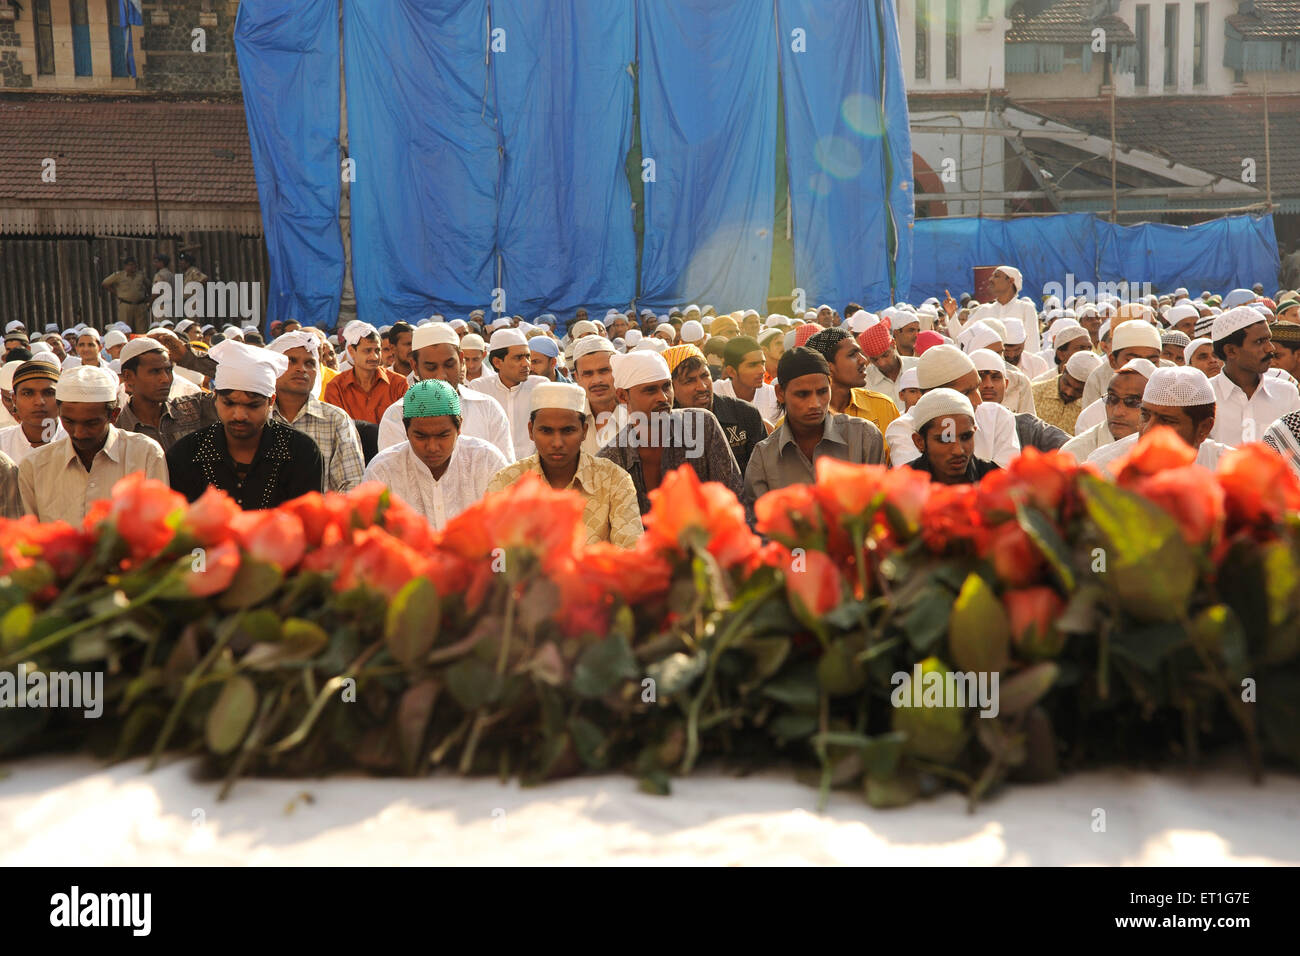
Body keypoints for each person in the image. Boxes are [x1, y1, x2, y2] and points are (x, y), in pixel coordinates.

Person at [167, 341, 324, 508]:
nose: (239, 415)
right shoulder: (186, 454)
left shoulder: (301, 451)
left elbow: (307, 523)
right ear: (215, 399)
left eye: (252, 405)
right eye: (229, 403)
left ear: (271, 401)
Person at [486, 381, 643, 547]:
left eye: (567, 430)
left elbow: (630, 551)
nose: (557, 443)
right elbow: (492, 553)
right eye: (546, 431)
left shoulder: (613, 480)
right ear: (531, 431)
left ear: (584, 431)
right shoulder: (506, 483)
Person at [597, 350, 741, 515]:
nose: (663, 398)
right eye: (650, 390)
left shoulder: (702, 426)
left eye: (666, 387)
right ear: (623, 396)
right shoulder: (610, 460)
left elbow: (732, 498)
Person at [18, 366, 165, 522]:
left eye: (91, 423)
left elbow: (159, 526)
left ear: (113, 415)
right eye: (69, 421)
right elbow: (29, 536)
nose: (79, 433)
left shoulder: (145, 454)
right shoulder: (35, 465)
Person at [742, 347, 886, 507]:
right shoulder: (764, 457)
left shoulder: (864, 437)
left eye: (822, 392)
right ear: (780, 393)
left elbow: (878, 510)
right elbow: (761, 523)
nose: (815, 404)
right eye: (802, 394)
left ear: (830, 386)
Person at [363, 379, 507, 530]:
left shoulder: (487, 461)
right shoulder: (382, 470)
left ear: (459, 428)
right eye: (421, 436)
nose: (432, 447)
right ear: (406, 430)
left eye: (442, 435)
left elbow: (506, 530)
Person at [376, 323, 513, 461]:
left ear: (460, 359)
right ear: (415, 366)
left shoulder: (487, 408)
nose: (441, 375)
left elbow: (505, 474)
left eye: (449, 365)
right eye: (431, 367)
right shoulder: (396, 415)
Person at [884, 345, 1021, 468]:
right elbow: (920, 485)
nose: (979, 401)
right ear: (932, 396)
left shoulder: (997, 416)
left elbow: (1006, 482)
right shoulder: (904, 429)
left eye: (977, 388)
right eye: (966, 393)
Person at [266, 330, 366, 493]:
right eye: (292, 361)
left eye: (310, 363)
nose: (301, 369)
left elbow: (353, 485)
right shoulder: (260, 417)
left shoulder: (335, 420)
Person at [1089, 366, 1231, 471]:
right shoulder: (1104, 468)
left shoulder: (1229, 469)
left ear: (1204, 428)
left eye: (1167, 421)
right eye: (1145, 416)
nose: (1148, 429)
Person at [665, 343, 764, 475]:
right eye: (689, 381)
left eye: (705, 376)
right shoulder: (664, 427)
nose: (702, 387)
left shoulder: (745, 414)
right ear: (671, 389)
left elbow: (764, 472)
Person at [1207, 306, 1300, 446]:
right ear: (1231, 351)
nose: (1270, 348)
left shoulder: (1286, 393)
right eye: (1259, 342)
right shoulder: (1206, 396)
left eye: (1269, 340)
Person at [115, 338, 217, 451]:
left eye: (168, 370)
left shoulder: (195, 408)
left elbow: (237, 384)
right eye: (155, 371)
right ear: (128, 376)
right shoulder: (117, 431)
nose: (165, 379)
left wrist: (189, 358)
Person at [467, 328, 547, 459]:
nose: (526, 364)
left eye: (527, 356)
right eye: (518, 358)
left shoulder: (540, 386)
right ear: (498, 362)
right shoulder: (478, 388)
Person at [804, 327, 899, 438]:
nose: (863, 360)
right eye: (852, 354)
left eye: (860, 353)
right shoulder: (801, 420)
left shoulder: (883, 406)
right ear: (827, 367)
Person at [970, 349, 1068, 452]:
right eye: (981, 377)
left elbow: (1069, 444)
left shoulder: (1025, 426)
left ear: (1006, 384)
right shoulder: (957, 423)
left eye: (995, 377)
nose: (989, 384)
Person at [1064, 358, 1153, 461]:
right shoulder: (1075, 453)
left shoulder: (1165, 449)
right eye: (1112, 399)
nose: (1117, 412)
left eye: (1132, 402)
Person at [905, 388, 999, 484]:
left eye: (966, 437)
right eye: (945, 439)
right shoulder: (899, 486)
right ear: (919, 442)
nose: (958, 451)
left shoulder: (997, 480)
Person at [323, 322, 408, 425]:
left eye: (377, 350)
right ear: (351, 351)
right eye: (367, 351)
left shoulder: (399, 384)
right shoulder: (336, 387)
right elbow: (335, 428)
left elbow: (405, 425)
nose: (374, 357)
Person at [1081, 318, 1163, 407]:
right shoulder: (1097, 378)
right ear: (1113, 361)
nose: (1142, 367)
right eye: (1132, 361)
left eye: (1153, 361)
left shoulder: (1170, 380)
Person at [0, 358, 66, 465]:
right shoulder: (2, 444)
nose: (39, 402)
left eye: (49, 393)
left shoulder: (78, 442)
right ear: (15, 399)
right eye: (27, 393)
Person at [572, 335, 627, 456]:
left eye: (604, 371)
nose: (597, 380)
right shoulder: (570, 419)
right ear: (577, 378)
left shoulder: (635, 415)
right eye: (588, 374)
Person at [966, 265, 1041, 351]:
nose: (990, 279)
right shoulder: (984, 310)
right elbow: (962, 337)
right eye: (992, 276)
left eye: (996, 276)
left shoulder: (1025, 308)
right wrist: (952, 314)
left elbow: (1032, 343)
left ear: (1010, 281)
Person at [1030, 350, 1101, 435]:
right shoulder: (1033, 393)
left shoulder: (1093, 410)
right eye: (1067, 383)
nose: (1069, 392)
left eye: (1078, 390)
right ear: (1063, 370)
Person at [713, 336, 780, 424]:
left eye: (762, 363)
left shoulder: (774, 396)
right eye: (753, 365)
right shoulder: (715, 392)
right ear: (731, 371)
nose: (762, 370)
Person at [859, 320, 918, 412]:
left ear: (893, 344)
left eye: (885, 355)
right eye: (874, 359)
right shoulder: (865, 382)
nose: (881, 363)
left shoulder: (917, 367)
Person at [101, 257, 152, 333]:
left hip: (140, 305)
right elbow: (105, 283)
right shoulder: (119, 275)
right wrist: (116, 293)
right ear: (125, 266)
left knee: (142, 330)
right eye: (130, 265)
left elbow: (149, 285)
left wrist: (148, 297)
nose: (133, 267)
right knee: (125, 329)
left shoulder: (140, 275)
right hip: (125, 305)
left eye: (134, 265)